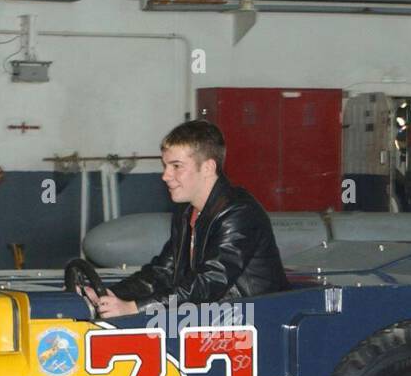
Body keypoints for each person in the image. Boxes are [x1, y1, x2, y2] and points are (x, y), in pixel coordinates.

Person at [86, 119, 289, 317]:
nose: (165, 175)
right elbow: (163, 272)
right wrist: (111, 294)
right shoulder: (187, 213)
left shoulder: (239, 213)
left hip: (257, 321)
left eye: (176, 166)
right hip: (218, 318)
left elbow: (209, 282)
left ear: (208, 168)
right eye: (165, 166)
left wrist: (133, 308)